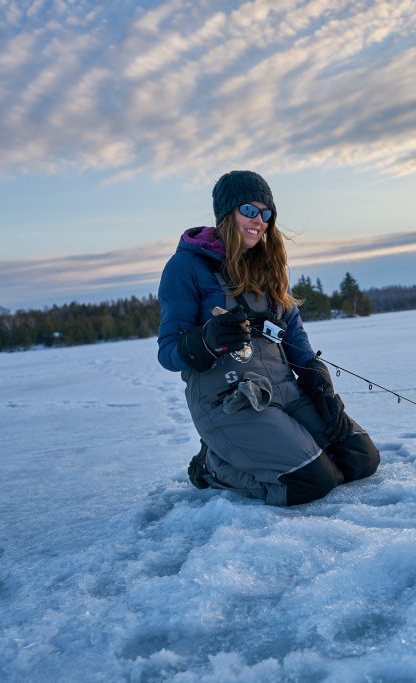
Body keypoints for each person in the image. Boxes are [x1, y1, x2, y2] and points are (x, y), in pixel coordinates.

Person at [156, 170, 380, 505]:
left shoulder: (269, 268)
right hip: (230, 399)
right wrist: (205, 340)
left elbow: (296, 338)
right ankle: (214, 465)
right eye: (249, 210)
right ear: (227, 213)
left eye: (266, 213)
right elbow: (168, 351)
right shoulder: (186, 266)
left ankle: (255, 447)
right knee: (312, 481)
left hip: (284, 390)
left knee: (359, 459)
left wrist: (319, 384)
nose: (258, 221)